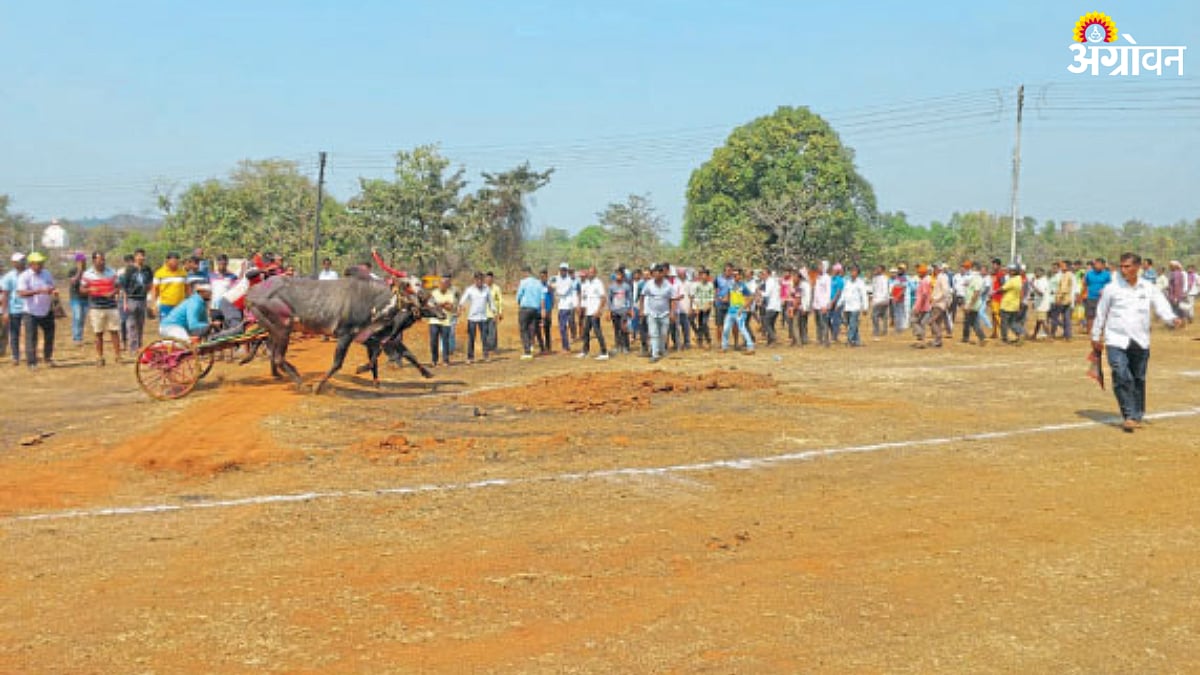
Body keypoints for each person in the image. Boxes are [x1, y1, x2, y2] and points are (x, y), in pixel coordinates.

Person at [1091, 252, 1182, 433]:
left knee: (1138, 378)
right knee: (1120, 374)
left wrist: (1172, 319)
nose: (1123, 270)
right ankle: (1129, 416)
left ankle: (1137, 412)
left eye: (1127, 266)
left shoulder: (1148, 288)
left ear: (1137, 267)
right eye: (1121, 266)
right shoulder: (1112, 288)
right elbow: (1101, 312)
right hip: (1116, 339)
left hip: (1140, 340)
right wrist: (1095, 335)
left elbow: (1161, 305)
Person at [16, 252, 57, 369]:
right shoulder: (24, 276)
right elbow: (21, 293)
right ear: (31, 264)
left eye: (42, 263)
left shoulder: (47, 273)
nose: (41, 265)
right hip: (30, 311)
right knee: (31, 337)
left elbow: (52, 286)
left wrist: (52, 290)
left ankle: (48, 358)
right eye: (38, 263)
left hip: (46, 310)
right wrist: (38, 291)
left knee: (50, 335)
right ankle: (32, 362)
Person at [81, 251, 121, 365]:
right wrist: (90, 290)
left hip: (111, 305)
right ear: (94, 261)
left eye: (103, 259)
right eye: (99, 260)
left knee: (114, 331)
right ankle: (100, 357)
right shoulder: (87, 274)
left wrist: (113, 292)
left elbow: (118, 287)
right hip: (96, 307)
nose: (102, 262)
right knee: (98, 333)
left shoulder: (112, 272)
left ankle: (118, 356)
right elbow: (81, 290)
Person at [640, 263, 674, 363]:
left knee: (663, 334)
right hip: (652, 313)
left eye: (658, 273)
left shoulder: (668, 285)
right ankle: (655, 354)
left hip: (664, 313)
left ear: (662, 274)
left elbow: (672, 299)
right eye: (654, 273)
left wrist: (672, 312)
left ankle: (662, 349)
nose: (656, 275)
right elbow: (642, 296)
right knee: (654, 334)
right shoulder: (649, 284)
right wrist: (642, 310)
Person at [458, 272, 494, 364]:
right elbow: (462, 300)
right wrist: (461, 307)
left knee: (484, 338)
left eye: (481, 280)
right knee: (471, 338)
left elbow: (491, 301)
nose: (479, 281)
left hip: (483, 317)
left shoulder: (487, 289)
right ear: (474, 280)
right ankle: (470, 357)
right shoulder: (470, 290)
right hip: (472, 317)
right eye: (477, 280)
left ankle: (486, 356)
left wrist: (494, 311)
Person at [578, 267, 609, 360]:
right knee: (586, 332)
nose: (590, 274)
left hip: (595, 312)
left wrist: (599, 311)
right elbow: (586, 297)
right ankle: (585, 351)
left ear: (595, 273)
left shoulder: (598, 283)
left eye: (592, 272)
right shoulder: (587, 283)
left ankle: (604, 352)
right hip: (589, 312)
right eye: (589, 272)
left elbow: (603, 298)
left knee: (597, 331)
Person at [721, 268, 755, 354]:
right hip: (731, 310)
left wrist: (743, 308)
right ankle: (724, 346)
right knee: (726, 329)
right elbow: (728, 296)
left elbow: (751, 297)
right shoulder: (730, 285)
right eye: (733, 275)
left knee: (742, 329)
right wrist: (724, 299)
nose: (734, 276)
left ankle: (750, 347)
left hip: (739, 311)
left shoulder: (743, 286)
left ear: (740, 276)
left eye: (736, 275)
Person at [2, 253, 27, 366]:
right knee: (14, 333)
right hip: (14, 309)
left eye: (22, 260)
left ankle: (30, 354)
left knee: (29, 333)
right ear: (13, 263)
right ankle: (15, 356)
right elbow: (5, 295)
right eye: (18, 261)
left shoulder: (30, 274)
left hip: (29, 308)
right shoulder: (8, 277)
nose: (21, 263)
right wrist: (5, 311)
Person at [148, 252, 188, 319]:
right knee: (166, 325)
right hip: (165, 305)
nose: (175, 264)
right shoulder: (159, 273)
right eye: (173, 261)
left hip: (180, 305)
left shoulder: (183, 273)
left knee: (179, 325)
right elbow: (154, 290)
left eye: (177, 262)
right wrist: (154, 305)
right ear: (167, 261)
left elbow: (187, 289)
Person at [516, 266, 544, 360]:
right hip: (535, 309)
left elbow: (519, 295)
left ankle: (527, 351)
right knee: (532, 328)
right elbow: (542, 296)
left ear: (525, 272)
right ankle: (531, 346)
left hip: (525, 308)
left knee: (523, 329)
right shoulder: (538, 282)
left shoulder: (523, 282)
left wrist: (519, 302)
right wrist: (542, 308)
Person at [428, 275, 456, 367]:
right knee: (433, 341)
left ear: (447, 285)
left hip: (446, 321)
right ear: (439, 284)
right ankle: (434, 360)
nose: (443, 286)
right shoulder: (433, 293)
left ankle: (445, 360)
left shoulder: (450, 293)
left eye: (445, 284)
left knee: (445, 341)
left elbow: (450, 308)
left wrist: (439, 304)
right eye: (442, 284)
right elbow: (431, 307)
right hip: (434, 321)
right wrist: (444, 303)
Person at [840, 265, 869, 347]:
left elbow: (864, 295)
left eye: (854, 271)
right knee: (851, 324)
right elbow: (844, 294)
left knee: (852, 324)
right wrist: (840, 303)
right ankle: (857, 341)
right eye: (851, 271)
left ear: (858, 273)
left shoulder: (860, 283)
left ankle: (850, 340)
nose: (852, 273)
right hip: (847, 306)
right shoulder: (847, 282)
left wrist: (865, 307)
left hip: (855, 307)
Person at [1083, 257, 1112, 336]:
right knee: (1090, 315)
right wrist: (1084, 294)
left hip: (1103, 298)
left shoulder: (1107, 274)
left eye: (1098, 264)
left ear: (1103, 265)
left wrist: (1105, 290)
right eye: (1095, 264)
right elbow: (1085, 284)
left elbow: (1110, 285)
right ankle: (1090, 332)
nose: (1096, 265)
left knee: (1102, 315)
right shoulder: (1089, 273)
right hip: (1090, 297)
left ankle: (1102, 331)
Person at [998, 264, 1026, 345]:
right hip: (1014, 305)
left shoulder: (1012, 280)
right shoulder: (1019, 279)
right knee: (1012, 322)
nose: (1009, 271)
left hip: (1007, 304)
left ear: (1014, 271)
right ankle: (1021, 333)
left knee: (1004, 323)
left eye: (1010, 270)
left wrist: (994, 291)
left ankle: (1004, 339)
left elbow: (1002, 289)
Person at [552, 263, 577, 352]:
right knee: (562, 327)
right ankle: (565, 346)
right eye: (561, 269)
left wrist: (554, 287)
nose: (562, 271)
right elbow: (552, 282)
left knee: (563, 327)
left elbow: (563, 292)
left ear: (567, 271)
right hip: (561, 307)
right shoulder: (558, 278)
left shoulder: (569, 281)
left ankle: (566, 347)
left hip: (567, 307)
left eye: (564, 270)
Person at [608, 268, 633, 355]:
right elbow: (609, 299)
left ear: (623, 276)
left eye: (620, 275)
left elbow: (630, 299)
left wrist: (630, 309)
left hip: (624, 311)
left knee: (624, 329)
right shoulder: (612, 286)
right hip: (615, 311)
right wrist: (610, 310)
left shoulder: (626, 286)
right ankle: (618, 346)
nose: (618, 276)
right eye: (616, 275)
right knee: (616, 329)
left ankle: (626, 347)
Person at [67, 253, 88, 345]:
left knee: (82, 318)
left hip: (85, 298)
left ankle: (80, 335)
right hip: (75, 297)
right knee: (77, 316)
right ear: (77, 262)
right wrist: (79, 271)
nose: (83, 263)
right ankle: (76, 337)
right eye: (81, 261)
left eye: (84, 261)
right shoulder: (72, 271)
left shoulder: (87, 272)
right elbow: (73, 281)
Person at [692, 268, 715, 349]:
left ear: (708, 276)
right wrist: (697, 307)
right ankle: (700, 340)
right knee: (700, 324)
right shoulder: (697, 285)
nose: (703, 277)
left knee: (705, 323)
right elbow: (695, 297)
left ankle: (708, 340)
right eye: (702, 275)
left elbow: (711, 297)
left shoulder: (710, 285)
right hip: (699, 307)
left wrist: (708, 306)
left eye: (705, 275)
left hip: (707, 308)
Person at [869, 265, 890, 339]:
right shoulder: (874, 278)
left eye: (879, 269)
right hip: (876, 299)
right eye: (876, 268)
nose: (877, 270)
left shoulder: (885, 278)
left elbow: (885, 290)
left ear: (883, 270)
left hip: (882, 300)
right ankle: (879, 331)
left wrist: (884, 299)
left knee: (879, 316)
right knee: (876, 316)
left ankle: (880, 331)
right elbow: (873, 289)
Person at [484, 271, 503, 354]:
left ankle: (493, 348)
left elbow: (500, 301)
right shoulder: (482, 288)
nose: (488, 280)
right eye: (487, 278)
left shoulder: (496, 288)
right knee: (485, 331)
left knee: (493, 332)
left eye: (490, 278)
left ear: (492, 279)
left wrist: (500, 312)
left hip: (493, 313)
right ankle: (487, 347)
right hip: (483, 313)